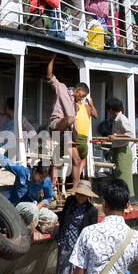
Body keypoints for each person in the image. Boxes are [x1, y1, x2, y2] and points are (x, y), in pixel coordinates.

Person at [45, 54, 95, 190]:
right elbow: (49, 76)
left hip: (66, 134)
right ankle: (51, 189)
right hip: (56, 125)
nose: (82, 98)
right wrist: (52, 59)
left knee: (76, 160)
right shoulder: (62, 88)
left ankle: (75, 189)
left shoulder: (75, 105)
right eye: (82, 95)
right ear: (78, 90)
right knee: (70, 118)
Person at [55, 180, 100, 274]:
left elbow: (92, 230)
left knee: (76, 272)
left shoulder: (91, 210)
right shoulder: (70, 201)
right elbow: (63, 215)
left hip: (78, 245)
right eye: (78, 194)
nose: (80, 197)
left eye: (83, 195)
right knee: (62, 270)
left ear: (87, 196)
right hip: (65, 241)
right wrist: (56, 223)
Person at [5, 160, 57, 233]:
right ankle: (23, 234)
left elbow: (48, 197)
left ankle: (36, 226)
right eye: (40, 177)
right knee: (33, 209)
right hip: (15, 206)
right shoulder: (22, 171)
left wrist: (38, 207)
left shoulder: (46, 181)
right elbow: (5, 162)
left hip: (33, 207)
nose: (41, 180)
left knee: (53, 218)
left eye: (43, 178)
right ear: (35, 170)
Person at [105, 98, 136, 197]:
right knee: (118, 177)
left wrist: (115, 136)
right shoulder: (116, 119)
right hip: (117, 151)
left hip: (123, 152)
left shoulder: (121, 118)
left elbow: (131, 134)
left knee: (124, 178)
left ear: (110, 109)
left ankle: (127, 202)